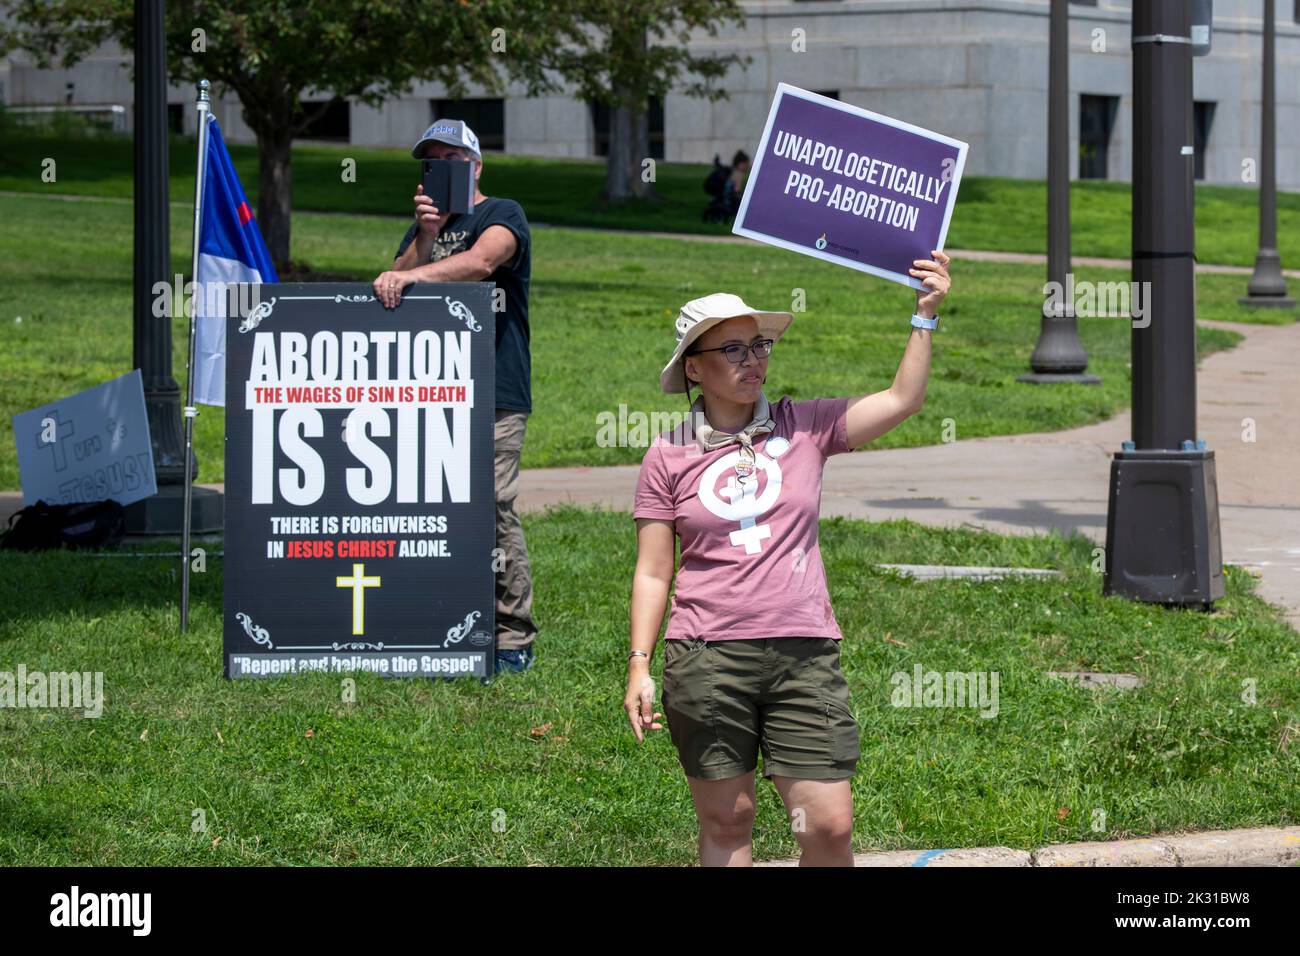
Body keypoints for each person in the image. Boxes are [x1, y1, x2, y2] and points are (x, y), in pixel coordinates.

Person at [624, 252, 952, 866]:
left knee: (827, 826)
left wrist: (924, 316)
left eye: (759, 346)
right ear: (694, 368)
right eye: (733, 351)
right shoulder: (666, 457)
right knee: (729, 821)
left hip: (803, 653)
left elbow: (903, 399)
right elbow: (653, 571)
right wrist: (639, 665)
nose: (753, 361)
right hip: (706, 655)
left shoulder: (807, 427)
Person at [372, 119, 538, 676]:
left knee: (491, 508)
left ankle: (512, 636)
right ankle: (442, 624)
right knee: (433, 512)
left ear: (476, 165)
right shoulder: (423, 229)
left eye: (452, 158)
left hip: (494, 389)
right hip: (433, 395)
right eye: (432, 160)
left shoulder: (502, 213)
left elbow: (482, 263)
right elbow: (389, 285)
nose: (441, 168)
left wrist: (421, 274)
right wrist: (422, 238)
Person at [723, 149, 750, 218]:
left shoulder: (733, 171)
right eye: (746, 164)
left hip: (725, 197)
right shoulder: (739, 174)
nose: (748, 166)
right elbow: (737, 190)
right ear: (741, 164)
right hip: (730, 200)